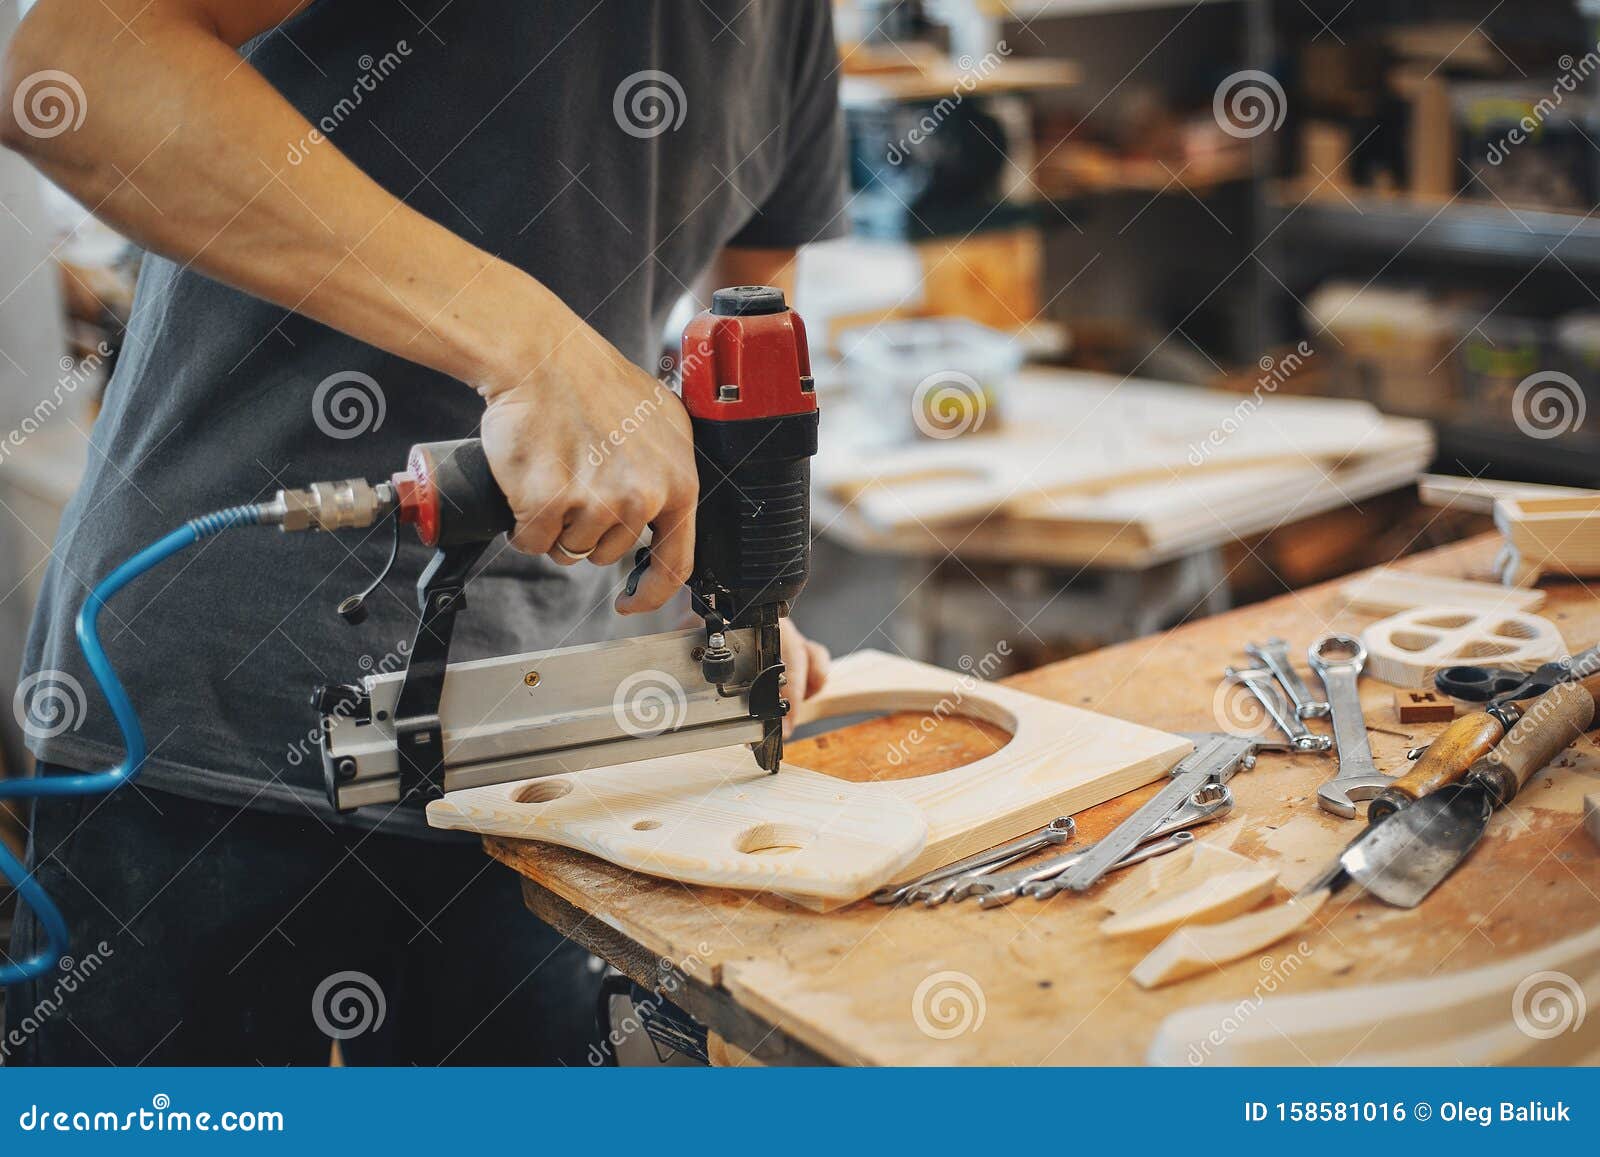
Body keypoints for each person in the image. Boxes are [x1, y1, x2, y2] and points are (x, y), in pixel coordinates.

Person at [0, 0, 842, 1064]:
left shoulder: (791, 20)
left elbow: (744, 342)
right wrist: (530, 345)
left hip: (539, 753)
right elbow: (78, 71)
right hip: (220, 713)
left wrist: (745, 593)